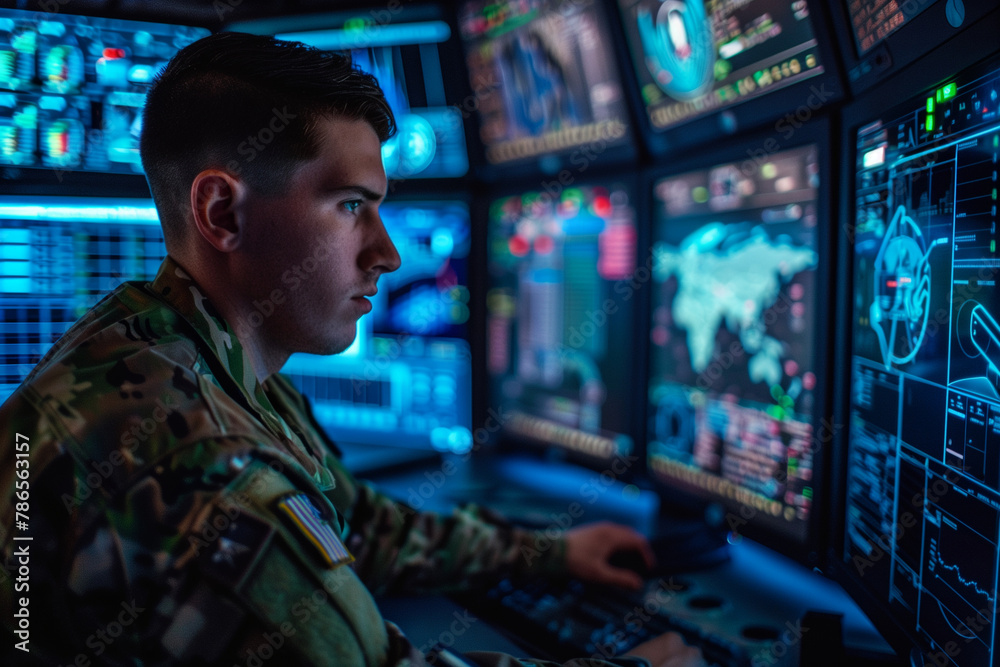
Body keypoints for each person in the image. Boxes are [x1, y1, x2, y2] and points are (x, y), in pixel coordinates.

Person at [0, 32, 704, 667]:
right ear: (222, 212)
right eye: (349, 205)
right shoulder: (205, 472)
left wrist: (544, 552)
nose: (387, 254)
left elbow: (355, 523)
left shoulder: (160, 343)